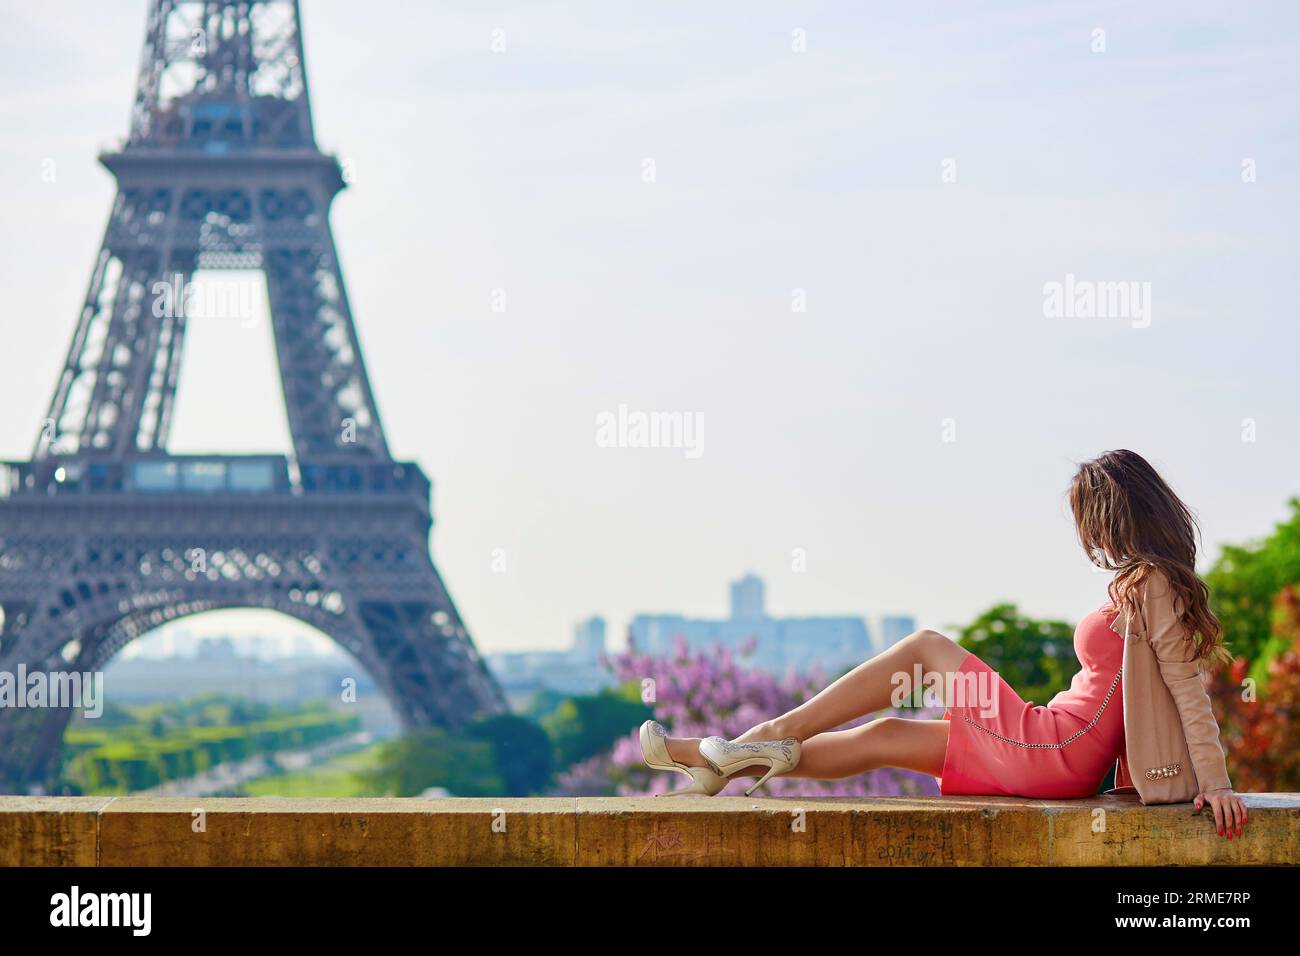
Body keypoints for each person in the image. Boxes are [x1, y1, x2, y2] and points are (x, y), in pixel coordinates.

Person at [640, 449, 1247, 839]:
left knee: (927, 647)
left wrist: (1215, 784)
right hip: (1053, 739)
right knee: (886, 737)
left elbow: (1186, 686)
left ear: (1118, 513)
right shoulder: (1140, 583)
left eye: (1089, 518)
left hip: (1057, 746)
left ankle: (766, 736)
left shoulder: (1156, 584)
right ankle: (714, 759)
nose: (1088, 536)